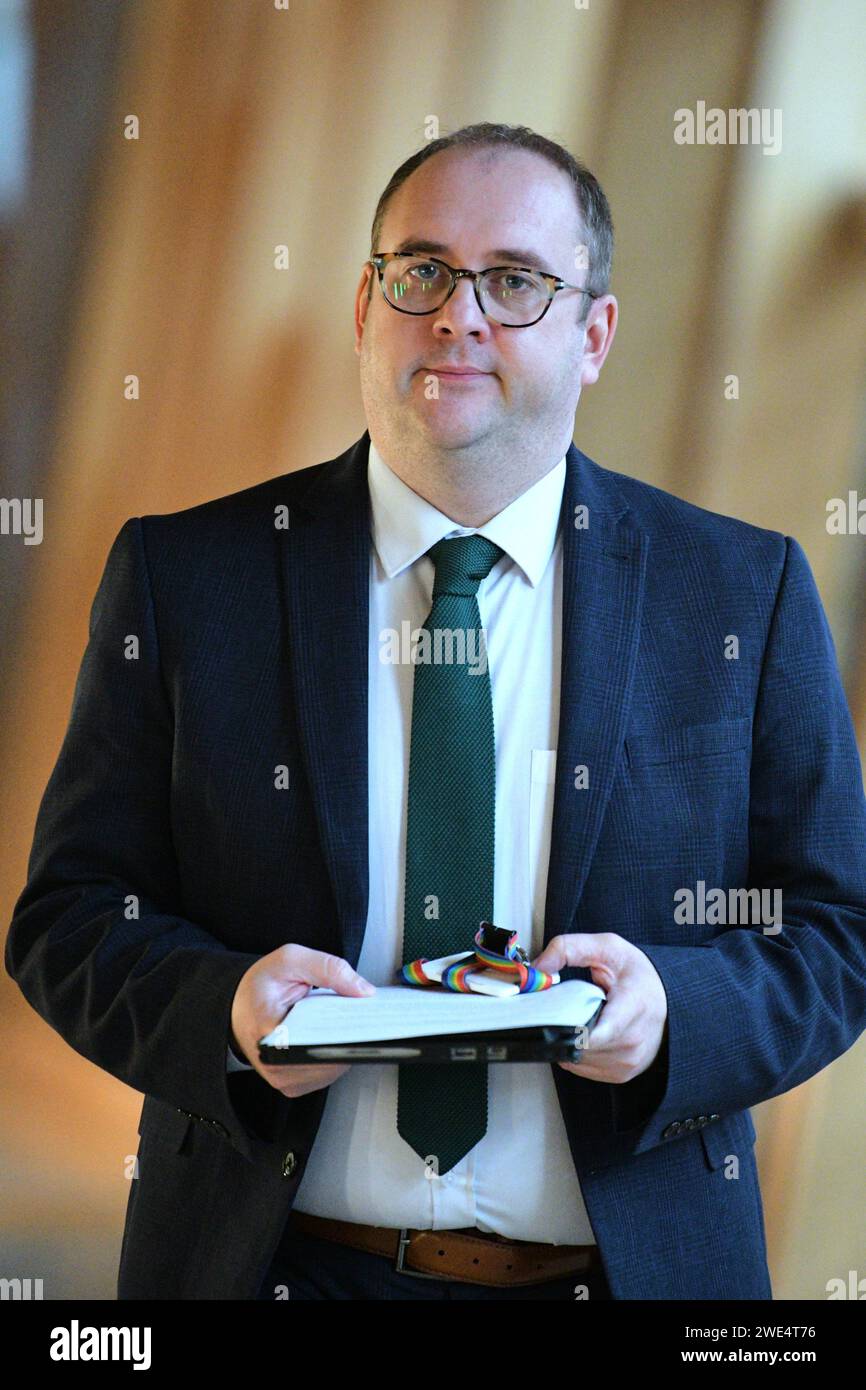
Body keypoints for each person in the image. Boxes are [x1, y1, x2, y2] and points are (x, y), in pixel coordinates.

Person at [7, 122, 866, 1302]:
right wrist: (223, 1012)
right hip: (276, 1271)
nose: (459, 316)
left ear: (594, 333)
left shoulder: (738, 592)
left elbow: (835, 931)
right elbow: (70, 916)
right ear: (366, 307)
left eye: (514, 281)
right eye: (420, 271)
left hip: (626, 1282)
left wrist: (676, 1016)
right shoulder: (190, 579)